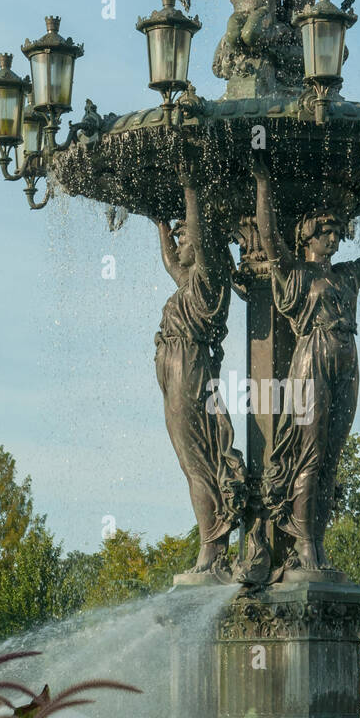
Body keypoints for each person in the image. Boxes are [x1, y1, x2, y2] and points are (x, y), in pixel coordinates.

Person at [252, 154, 360, 572]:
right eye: (326, 232)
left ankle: (318, 545)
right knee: (311, 455)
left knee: (332, 457)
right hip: (312, 358)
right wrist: (263, 181)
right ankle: (303, 548)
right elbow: (268, 240)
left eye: (338, 233)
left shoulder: (348, 276)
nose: (334, 240)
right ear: (308, 235)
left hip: (346, 358)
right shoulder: (297, 273)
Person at [152, 156, 245, 576]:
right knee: (191, 463)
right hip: (175, 370)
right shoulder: (190, 282)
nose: (180, 242)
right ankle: (213, 544)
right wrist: (160, 226)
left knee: (198, 464)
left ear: (203, 243)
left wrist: (191, 185)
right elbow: (172, 262)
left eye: (184, 236)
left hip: (189, 369)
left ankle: (213, 549)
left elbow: (198, 246)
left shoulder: (209, 281)